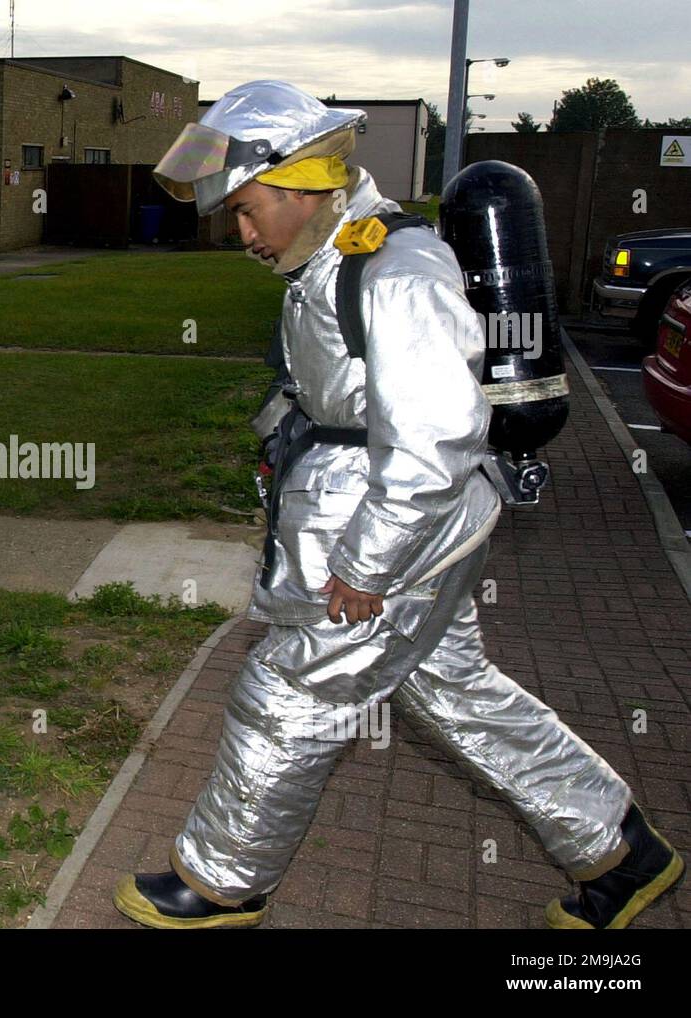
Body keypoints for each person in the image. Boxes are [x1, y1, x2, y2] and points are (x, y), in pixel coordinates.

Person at [113, 80, 683, 929]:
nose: (239, 232)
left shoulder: (395, 267)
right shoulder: (331, 258)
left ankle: (221, 881)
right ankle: (622, 850)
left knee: (290, 692)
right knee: (457, 695)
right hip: (387, 519)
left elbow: (435, 437)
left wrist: (365, 567)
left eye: (245, 210)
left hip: (399, 534)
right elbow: (335, 390)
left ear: (304, 182)